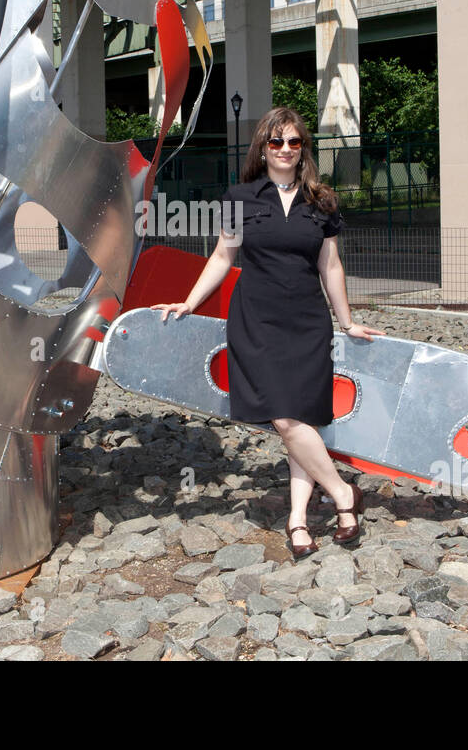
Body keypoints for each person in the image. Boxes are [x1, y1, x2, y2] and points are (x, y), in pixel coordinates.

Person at [151, 107, 384, 559]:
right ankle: (342, 494)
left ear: (303, 150)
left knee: (300, 418)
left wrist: (347, 321)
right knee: (284, 417)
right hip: (256, 320)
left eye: (294, 142)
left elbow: (330, 265)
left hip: (307, 322)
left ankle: (297, 520)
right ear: (263, 147)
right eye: (275, 142)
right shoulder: (239, 198)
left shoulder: (322, 202)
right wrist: (190, 301)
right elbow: (223, 256)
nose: (284, 150)